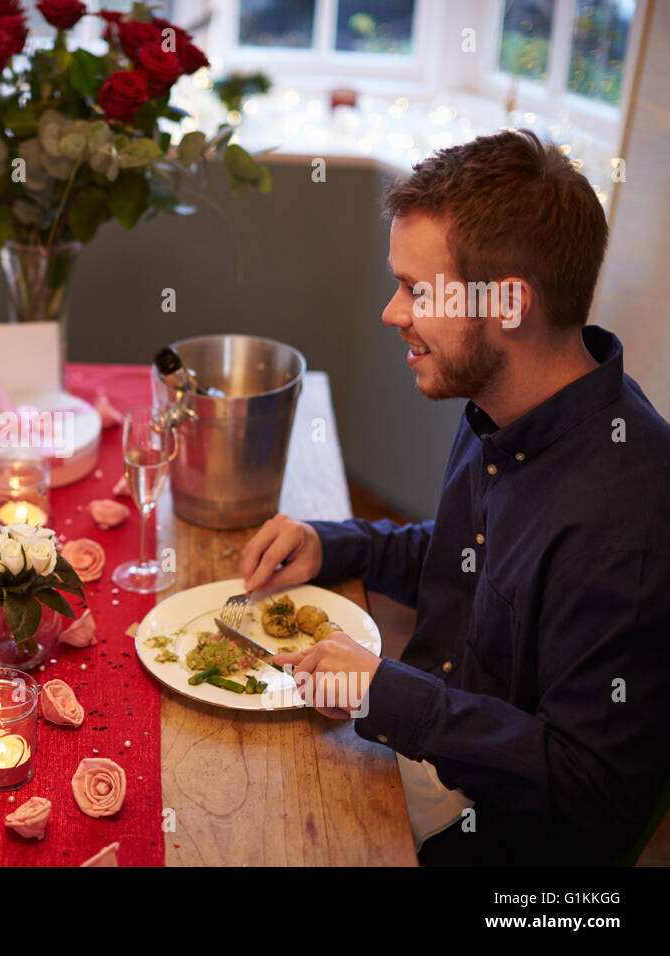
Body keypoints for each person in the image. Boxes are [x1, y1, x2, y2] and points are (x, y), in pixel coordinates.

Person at [241, 130, 670, 865]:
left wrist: (389, 694)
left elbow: (588, 798)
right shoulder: (506, 409)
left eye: (416, 289)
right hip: (429, 760)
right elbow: (464, 559)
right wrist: (332, 543)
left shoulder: (626, 522)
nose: (391, 312)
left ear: (509, 304)